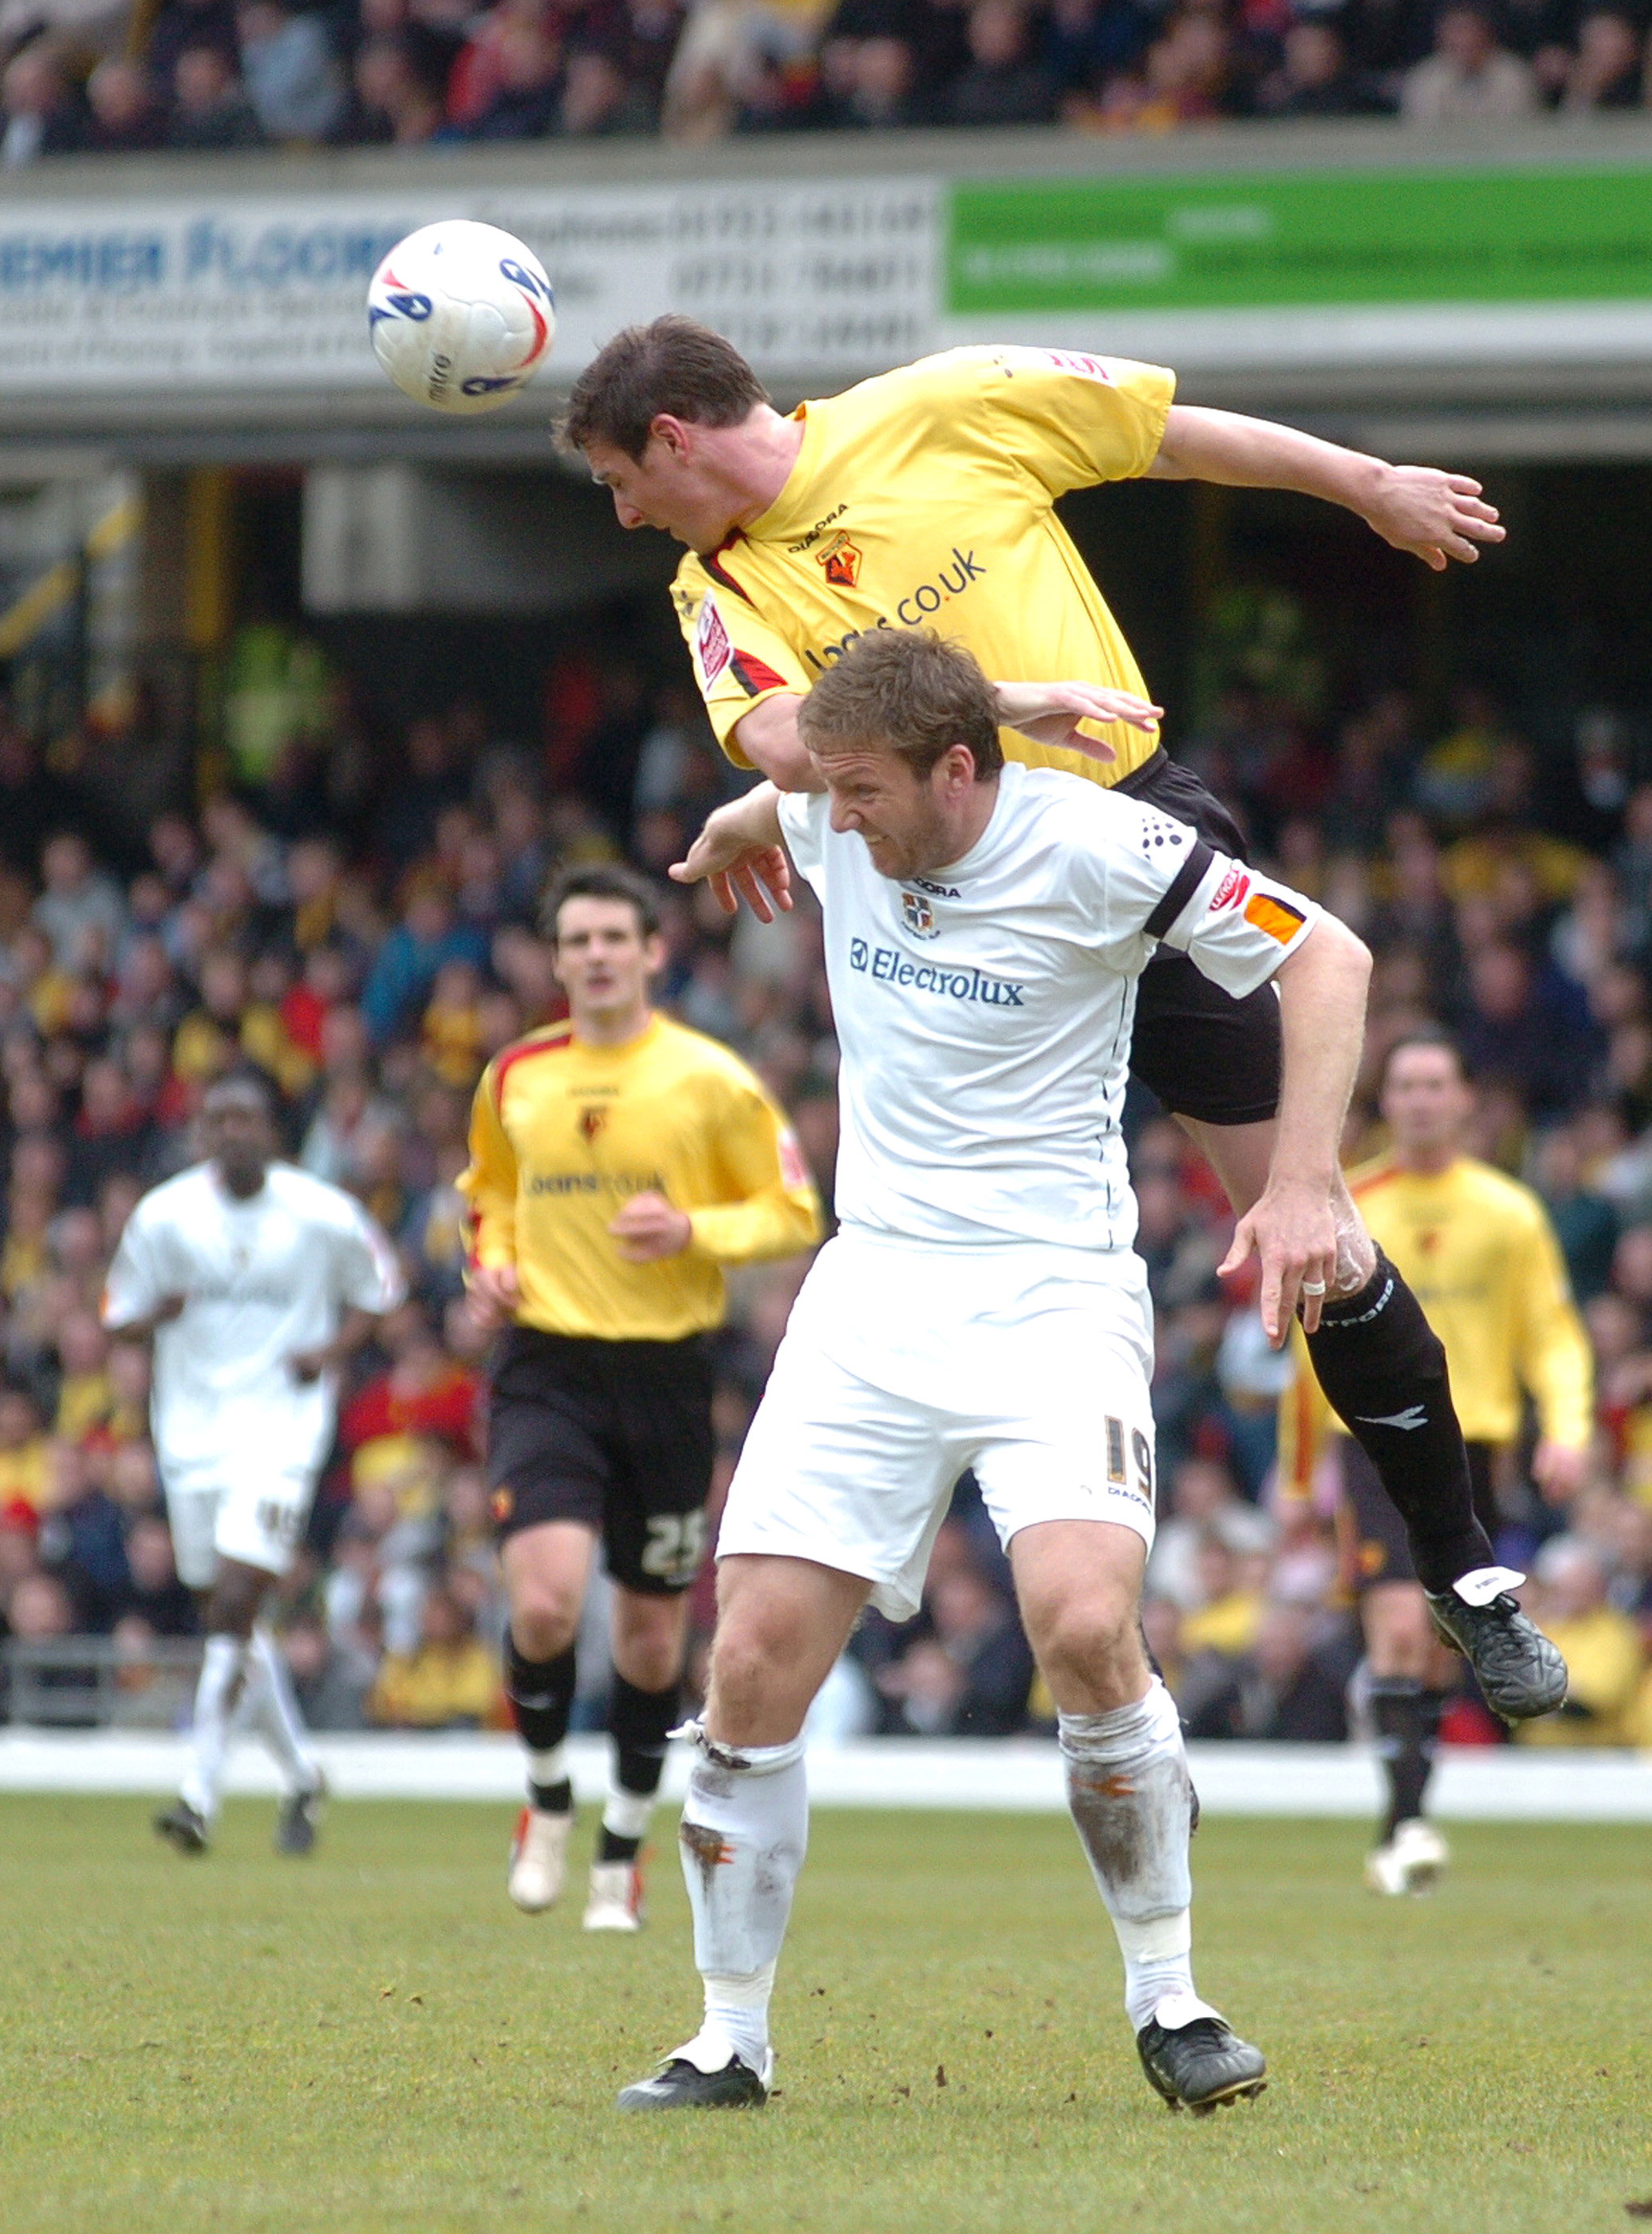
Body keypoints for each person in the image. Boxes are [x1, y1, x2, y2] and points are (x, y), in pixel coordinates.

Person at [560, 315, 1565, 1729]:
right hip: (953, 891)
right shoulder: (712, 583)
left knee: (1317, 1246)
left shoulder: (948, 402)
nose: (624, 512)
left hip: (1119, 841)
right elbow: (785, 743)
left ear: (672, 438)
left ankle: (1464, 1576)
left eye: (621, 479)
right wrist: (857, 762)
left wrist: (1364, 485)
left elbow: (1171, 435)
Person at [613, 626, 1370, 2116]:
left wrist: (1302, 1180)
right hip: (874, 1284)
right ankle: (729, 2038)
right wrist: (737, 817)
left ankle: (1172, 1999)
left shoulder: (1101, 847)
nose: (844, 816)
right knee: (750, 1660)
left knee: (1084, 1628)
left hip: (1052, 1294)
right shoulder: (839, 812)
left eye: (865, 791)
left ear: (958, 771)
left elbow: (1326, 954)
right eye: (826, 794)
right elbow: (779, 794)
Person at [459, 864, 822, 1933]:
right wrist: (489, 1263)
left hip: (665, 1373)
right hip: (547, 1367)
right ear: (557, 958)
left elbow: (793, 1209)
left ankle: (623, 1838)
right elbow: (486, 1194)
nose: (597, 955)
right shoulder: (514, 1077)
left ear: (652, 953)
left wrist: (693, 1232)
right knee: (543, 1601)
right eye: (577, 940)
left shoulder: (709, 1080)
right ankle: (544, 1798)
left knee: (655, 1646)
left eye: (616, 936)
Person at [1280, 1028, 1591, 1896]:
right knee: (1400, 1628)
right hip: (1368, 1441)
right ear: (1386, 1102)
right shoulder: (1355, 1202)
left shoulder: (1507, 1213)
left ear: (1461, 1101)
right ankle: (1407, 1824)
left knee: (1443, 1650)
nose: (1420, 1099)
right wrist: (1297, 1471)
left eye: (1435, 1084)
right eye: (1405, 1085)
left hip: (1475, 1444)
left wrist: (1565, 1427)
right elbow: (1304, 1354)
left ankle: (1404, 1809)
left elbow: (1553, 1333)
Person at [102, 1072, 404, 1855]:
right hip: (190, 1436)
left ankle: (197, 1791)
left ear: (273, 1129)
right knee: (230, 1620)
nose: (233, 1130)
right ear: (201, 1132)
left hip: (280, 1429)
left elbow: (380, 1291)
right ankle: (302, 1774)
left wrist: (328, 1353)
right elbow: (117, 1316)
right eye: (219, 1118)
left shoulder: (320, 1213)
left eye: (247, 1117)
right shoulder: (164, 1217)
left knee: (236, 1598)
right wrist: (154, 1319)